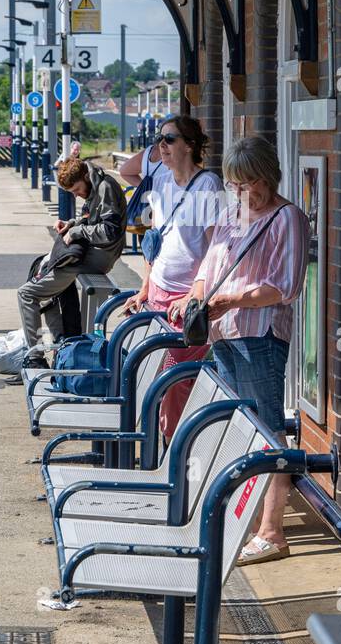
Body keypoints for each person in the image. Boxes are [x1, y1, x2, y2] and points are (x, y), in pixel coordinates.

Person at [170, 136, 310, 565]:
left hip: (259, 336)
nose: (243, 193)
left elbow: (284, 287)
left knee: (267, 429)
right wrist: (194, 299)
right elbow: (207, 270)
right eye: (235, 184)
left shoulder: (288, 219)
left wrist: (230, 301)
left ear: (270, 177)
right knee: (239, 427)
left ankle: (272, 531)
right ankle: (244, 520)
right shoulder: (231, 216)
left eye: (250, 184)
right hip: (223, 333)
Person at [123, 116, 224, 438]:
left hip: (188, 299)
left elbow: (217, 248)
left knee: (175, 376)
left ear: (190, 145)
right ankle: (165, 443)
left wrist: (196, 294)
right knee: (154, 371)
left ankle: (174, 452)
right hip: (159, 292)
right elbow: (156, 241)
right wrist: (144, 286)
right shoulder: (163, 182)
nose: (160, 146)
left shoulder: (209, 185)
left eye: (168, 139)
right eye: (159, 139)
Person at [18, 156, 127, 368]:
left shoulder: (105, 187)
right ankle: (62, 346)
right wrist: (70, 224)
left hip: (100, 255)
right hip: (92, 251)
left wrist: (77, 232)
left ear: (85, 176)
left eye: (77, 190)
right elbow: (90, 218)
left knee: (26, 293)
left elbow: (110, 231)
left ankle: (35, 359)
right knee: (41, 267)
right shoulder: (94, 184)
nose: (77, 195)